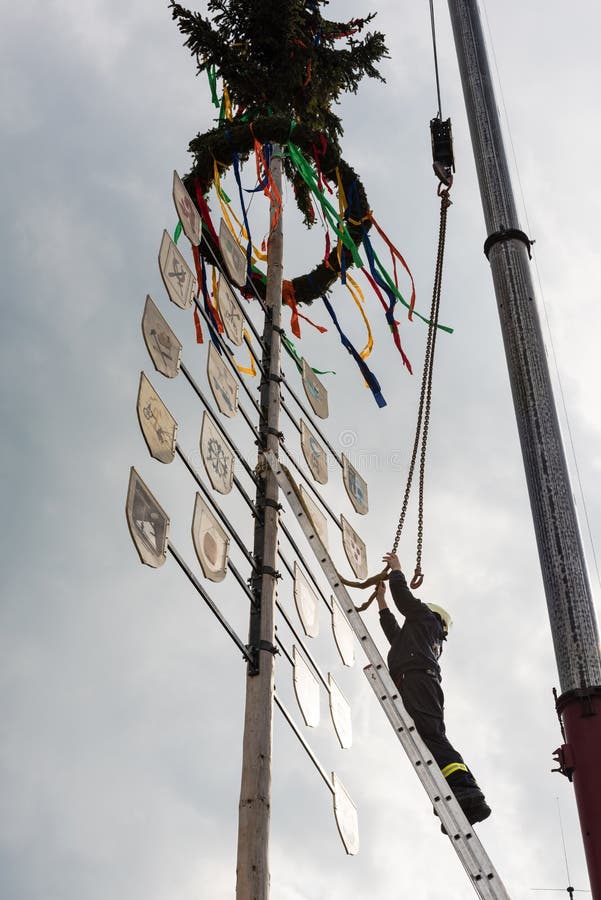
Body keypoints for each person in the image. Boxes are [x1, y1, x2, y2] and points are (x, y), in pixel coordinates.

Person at [375, 551, 491, 827]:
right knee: (429, 739)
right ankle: (460, 795)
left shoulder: (425, 618)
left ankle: (467, 788)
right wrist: (380, 601)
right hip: (416, 681)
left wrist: (397, 571)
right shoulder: (416, 638)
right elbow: (393, 632)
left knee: (433, 737)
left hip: (418, 681)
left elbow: (404, 600)